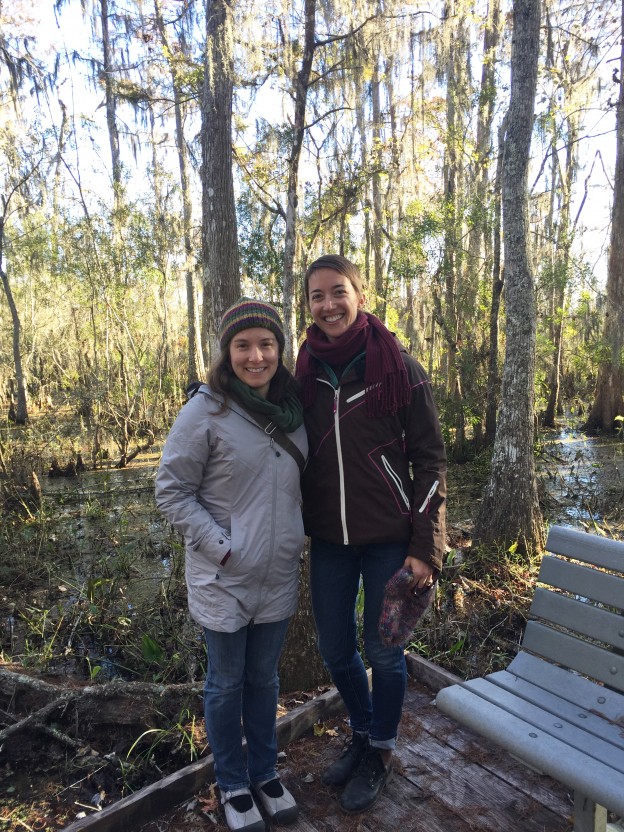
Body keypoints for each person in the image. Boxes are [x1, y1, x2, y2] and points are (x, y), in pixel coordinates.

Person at [295, 255, 446, 814]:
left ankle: (381, 751)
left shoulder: (398, 366)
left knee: (384, 653)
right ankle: (362, 731)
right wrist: (213, 395)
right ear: (307, 304)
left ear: (359, 294)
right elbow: (265, 411)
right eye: (317, 296)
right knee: (335, 650)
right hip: (330, 540)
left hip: (389, 536)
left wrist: (425, 547)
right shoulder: (304, 371)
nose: (329, 304)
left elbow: (430, 460)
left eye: (338, 292)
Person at [155, 298, 307, 832]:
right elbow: (172, 491)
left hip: (278, 573)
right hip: (223, 575)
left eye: (266, 344)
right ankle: (233, 783)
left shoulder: (294, 410)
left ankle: (265, 773)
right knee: (225, 683)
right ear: (227, 353)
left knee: (264, 681)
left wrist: (295, 539)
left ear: (280, 350)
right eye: (243, 345)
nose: (256, 355)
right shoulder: (205, 410)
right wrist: (221, 546)